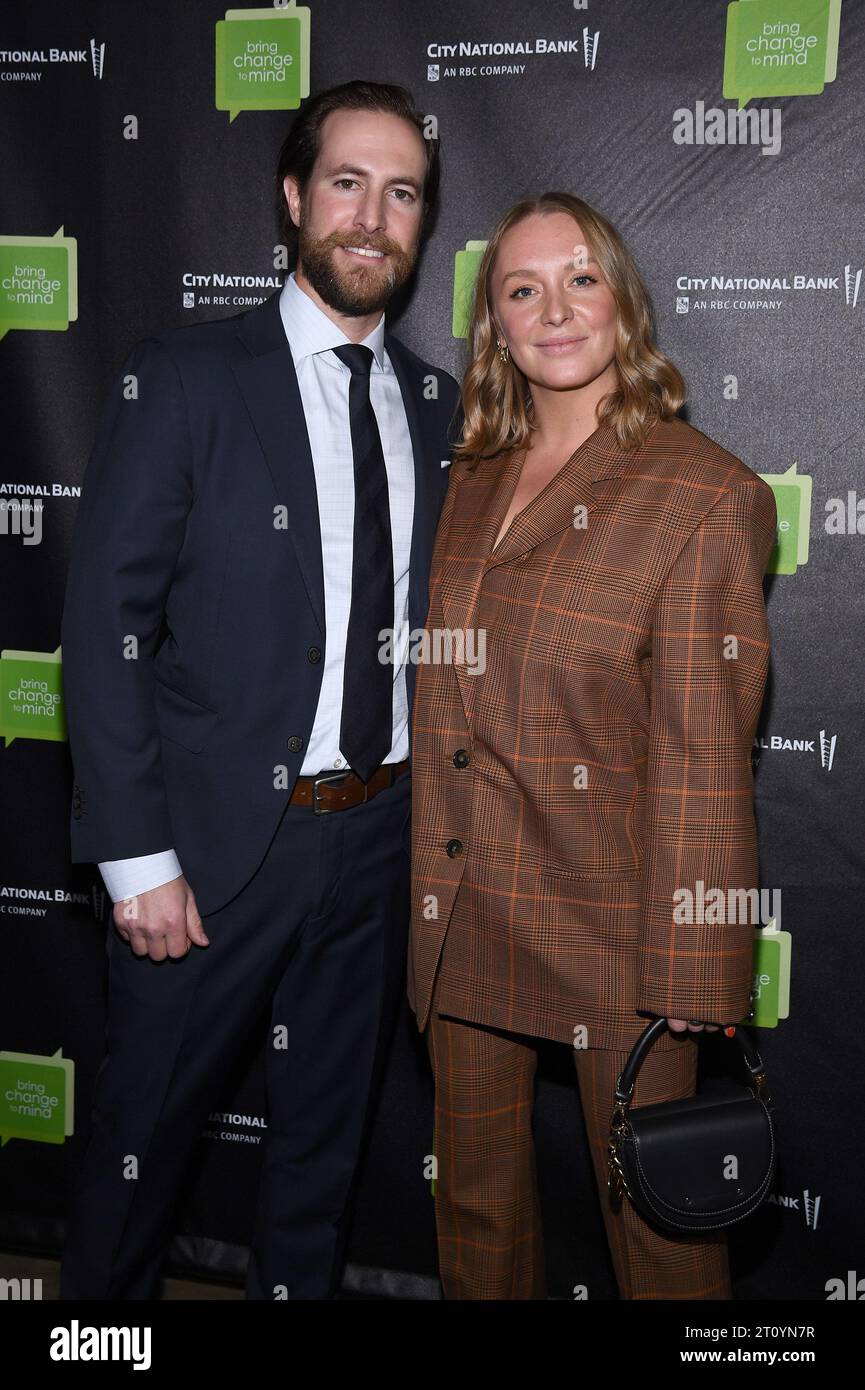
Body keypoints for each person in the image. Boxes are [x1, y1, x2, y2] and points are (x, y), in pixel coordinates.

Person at [60, 80, 461, 1300]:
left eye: (402, 194)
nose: (372, 217)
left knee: (320, 1160)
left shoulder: (441, 410)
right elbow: (104, 623)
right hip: (215, 851)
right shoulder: (185, 375)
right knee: (136, 1165)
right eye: (347, 182)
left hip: (376, 840)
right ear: (293, 199)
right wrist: (136, 859)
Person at [407, 191, 777, 1299]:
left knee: (659, 1226)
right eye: (522, 289)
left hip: (620, 933)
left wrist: (699, 962)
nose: (554, 308)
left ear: (623, 300)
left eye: (578, 278)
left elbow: (707, 757)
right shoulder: (469, 480)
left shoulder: (706, 494)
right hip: (466, 902)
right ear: (496, 327)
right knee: (473, 1210)